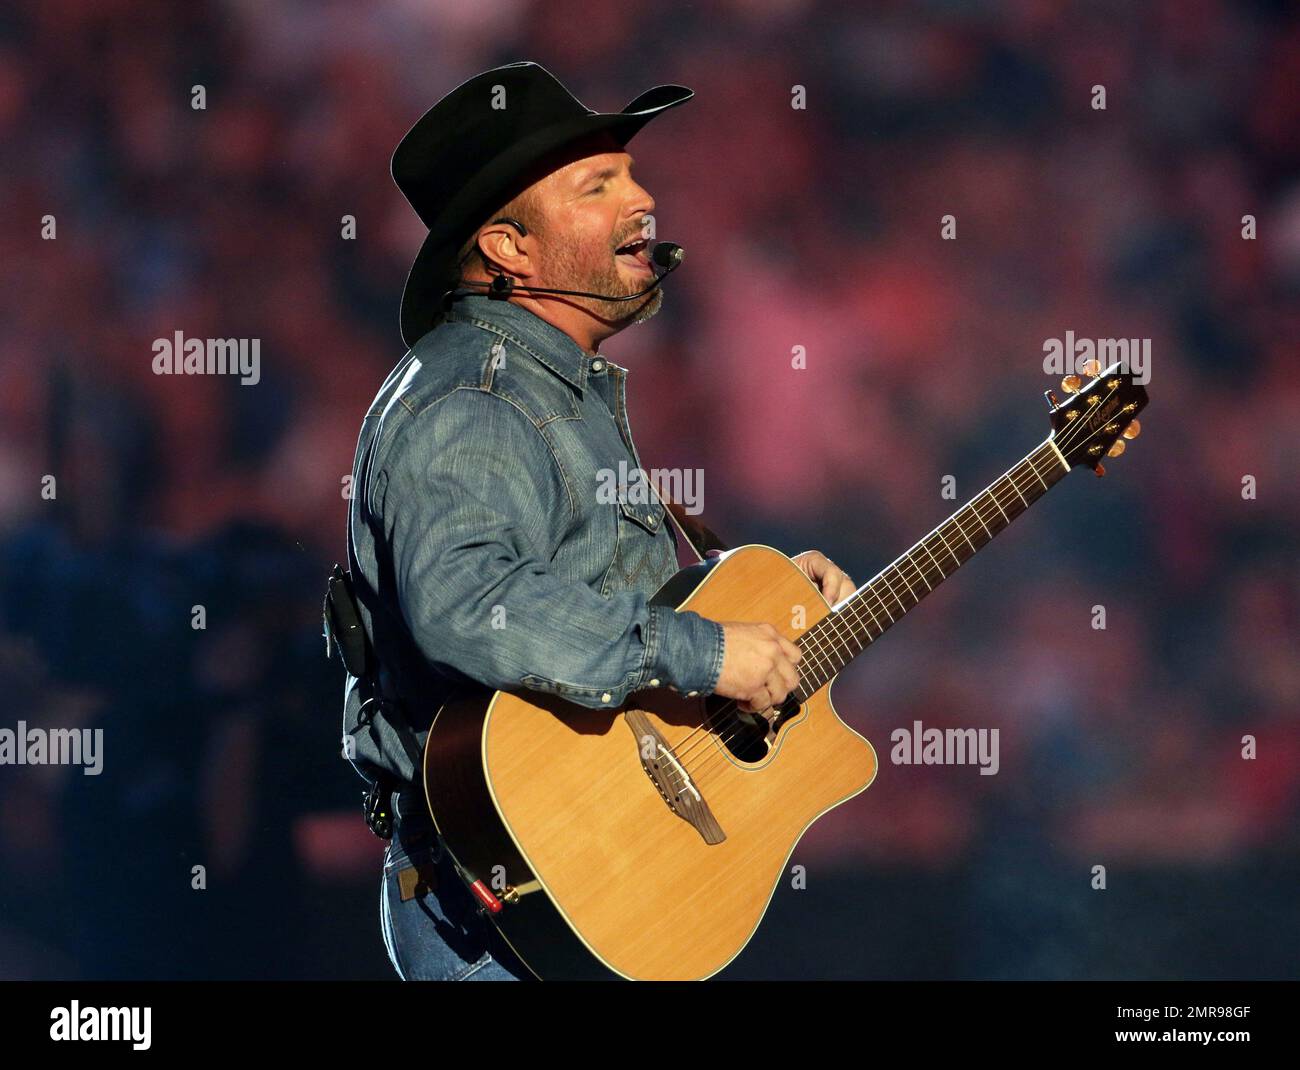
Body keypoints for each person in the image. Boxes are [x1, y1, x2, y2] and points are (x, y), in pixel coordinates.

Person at [343, 61, 855, 981]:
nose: (645, 198)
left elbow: (588, 581)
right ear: (510, 249)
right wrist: (706, 651)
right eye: (599, 184)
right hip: (501, 924)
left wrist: (758, 591)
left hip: (578, 895)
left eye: (632, 173)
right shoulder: (476, 399)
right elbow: (469, 602)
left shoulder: (543, 391)